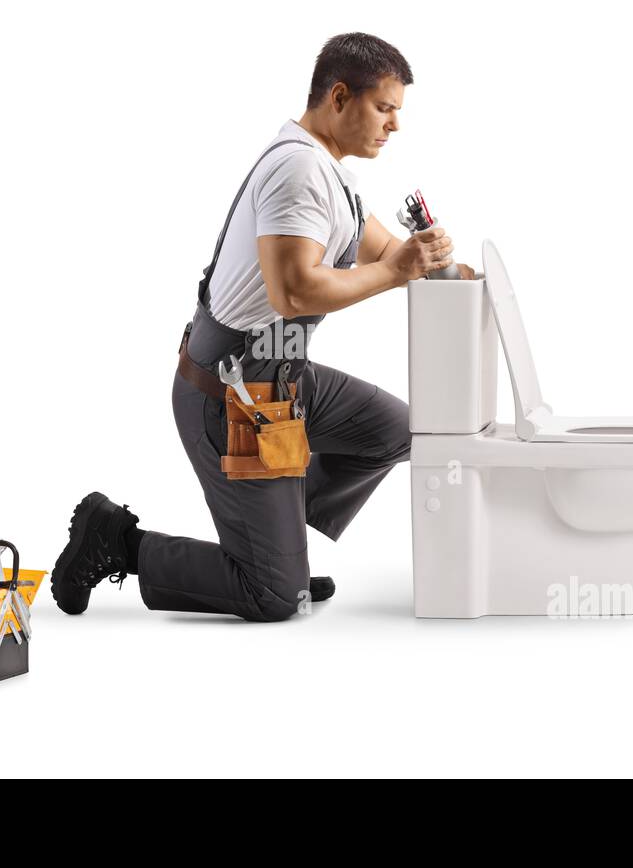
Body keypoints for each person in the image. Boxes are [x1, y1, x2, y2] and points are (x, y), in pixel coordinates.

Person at [51, 32, 472, 622]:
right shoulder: (299, 171)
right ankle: (117, 540)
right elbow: (296, 289)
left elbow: (389, 253)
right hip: (230, 393)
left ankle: (276, 544)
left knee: (402, 430)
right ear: (340, 97)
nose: (394, 126)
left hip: (282, 378)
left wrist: (446, 268)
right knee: (274, 598)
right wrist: (400, 271)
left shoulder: (332, 172)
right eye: (385, 108)